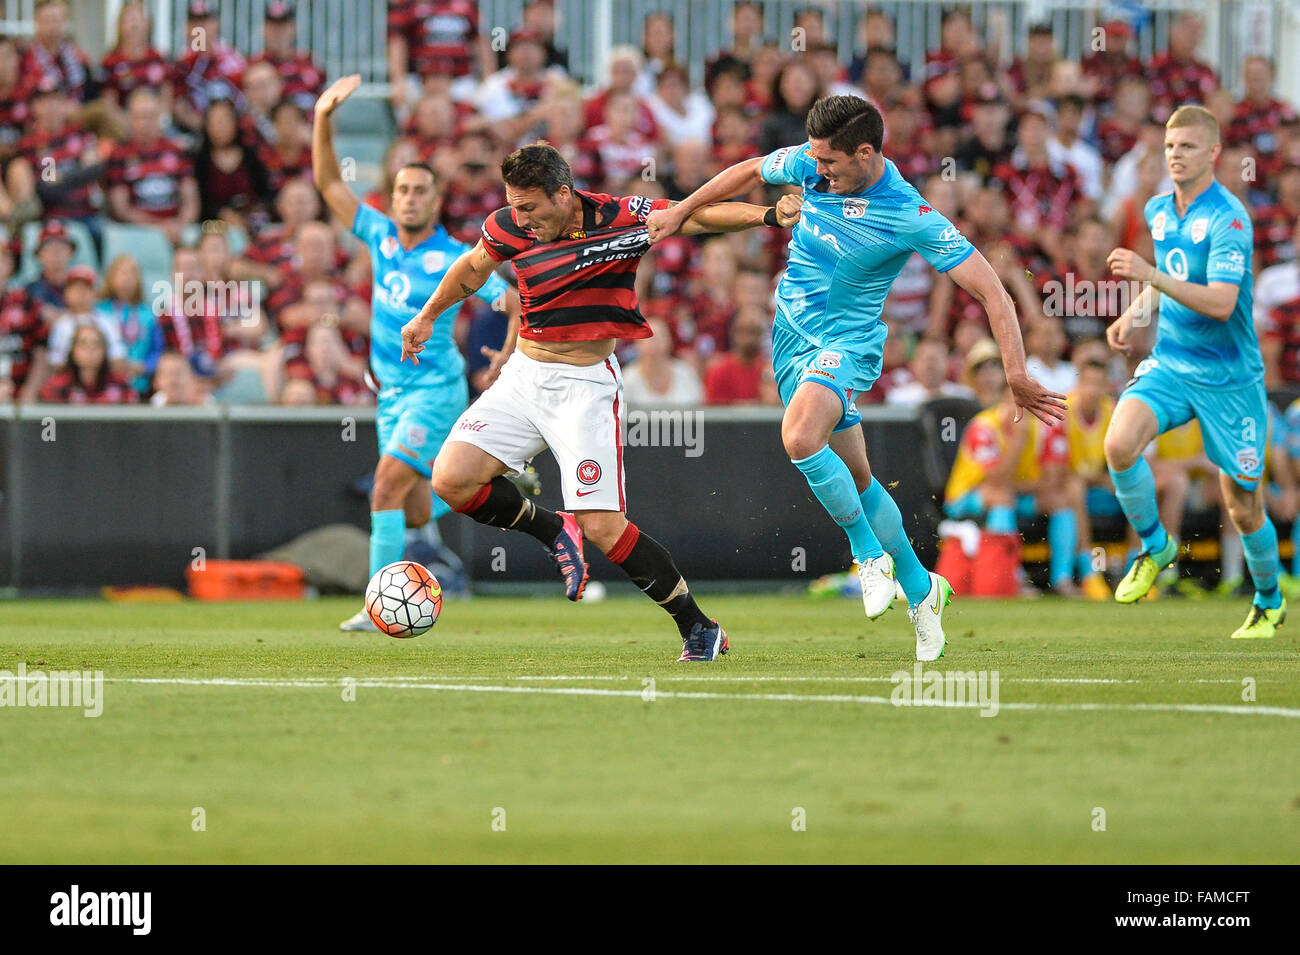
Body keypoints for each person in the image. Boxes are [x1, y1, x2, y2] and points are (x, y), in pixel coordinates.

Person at [650, 95, 1065, 661]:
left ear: (865, 153)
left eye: (830, 162)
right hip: (790, 341)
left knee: (800, 438)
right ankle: (922, 589)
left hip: (846, 345)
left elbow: (992, 290)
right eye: (815, 159)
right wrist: (680, 211)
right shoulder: (813, 161)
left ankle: (868, 556)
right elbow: (748, 171)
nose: (817, 170)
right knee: (860, 479)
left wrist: (1015, 371)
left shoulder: (909, 213)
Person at [399, 142, 799, 662]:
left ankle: (699, 627)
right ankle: (552, 528)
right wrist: (427, 316)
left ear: (564, 195)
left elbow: (695, 217)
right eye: (515, 206)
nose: (522, 218)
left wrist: (767, 215)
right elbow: (472, 268)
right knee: (451, 479)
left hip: (584, 386)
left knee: (604, 527)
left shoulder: (622, 217)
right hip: (524, 376)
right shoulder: (509, 226)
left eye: (530, 207)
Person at [314, 75, 520, 633]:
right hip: (391, 394)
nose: (409, 198)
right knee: (414, 508)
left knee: (384, 483)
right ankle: (489, 477)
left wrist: (505, 357)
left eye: (420, 191)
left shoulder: (455, 257)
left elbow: (515, 302)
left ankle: (375, 606)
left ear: (436, 201)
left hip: (435, 392)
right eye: (402, 189)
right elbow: (329, 183)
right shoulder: (379, 235)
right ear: (393, 196)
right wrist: (323, 117)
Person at [1103, 105, 1280, 639]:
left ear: (1213, 153)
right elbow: (1169, 276)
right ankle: (1155, 546)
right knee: (1119, 445)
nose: (1176, 156)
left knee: (1242, 506)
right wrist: (1135, 313)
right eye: (1170, 146)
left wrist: (1149, 276)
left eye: (1187, 147)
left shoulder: (1229, 219)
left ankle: (1269, 601)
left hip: (1229, 378)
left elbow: (1221, 303)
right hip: (1173, 362)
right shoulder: (1158, 209)